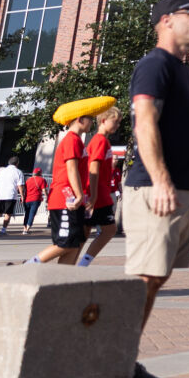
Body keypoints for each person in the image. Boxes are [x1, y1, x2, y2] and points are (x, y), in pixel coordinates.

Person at [113, 0, 189, 378]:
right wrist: (160, 180)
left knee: (154, 279)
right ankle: (113, 371)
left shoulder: (183, 72)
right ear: (165, 20)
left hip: (178, 189)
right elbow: (144, 123)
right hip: (154, 189)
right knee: (143, 280)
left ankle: (126, 362)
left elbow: (177, 131)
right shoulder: (154, 64)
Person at [35, 105, 96, 264]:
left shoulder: (77, 141)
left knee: (74, 245)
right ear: (80, 119)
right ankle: (27, 267)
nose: (92, 122)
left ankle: (63, 277)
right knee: (65, 244)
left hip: (72, 200)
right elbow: (71, 169)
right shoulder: (71, 140)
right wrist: (80, 195)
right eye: (90, 119)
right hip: (64, 200)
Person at [78, 105, 122, 267]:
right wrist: (94, 195)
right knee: (109, 230)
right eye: (115, 121)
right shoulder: (100, 141)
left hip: (97, 193)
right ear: (103, 121)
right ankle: (81, 265)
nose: (117, 125)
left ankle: (74, 265)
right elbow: (94, 168)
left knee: (84, 232)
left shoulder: (102, 141)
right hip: (98, 195)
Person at [0, 160, 23, 235]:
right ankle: (3, 230)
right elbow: (20, 185)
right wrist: (22, 195)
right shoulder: (18, 172)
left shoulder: (1, 172)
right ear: (17, 163)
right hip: (10, 195)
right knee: (8, 213)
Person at [21, 166, 46, 234]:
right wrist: (47, 197)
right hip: (36, 199)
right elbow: (44, 190)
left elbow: (24, 189)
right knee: (32, 214)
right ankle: (27, 229)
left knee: (27, 214)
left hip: (27, 199)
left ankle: (24, 228)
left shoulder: (28, 180)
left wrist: (22, 197)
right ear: (40, 173)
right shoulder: (42, 180)